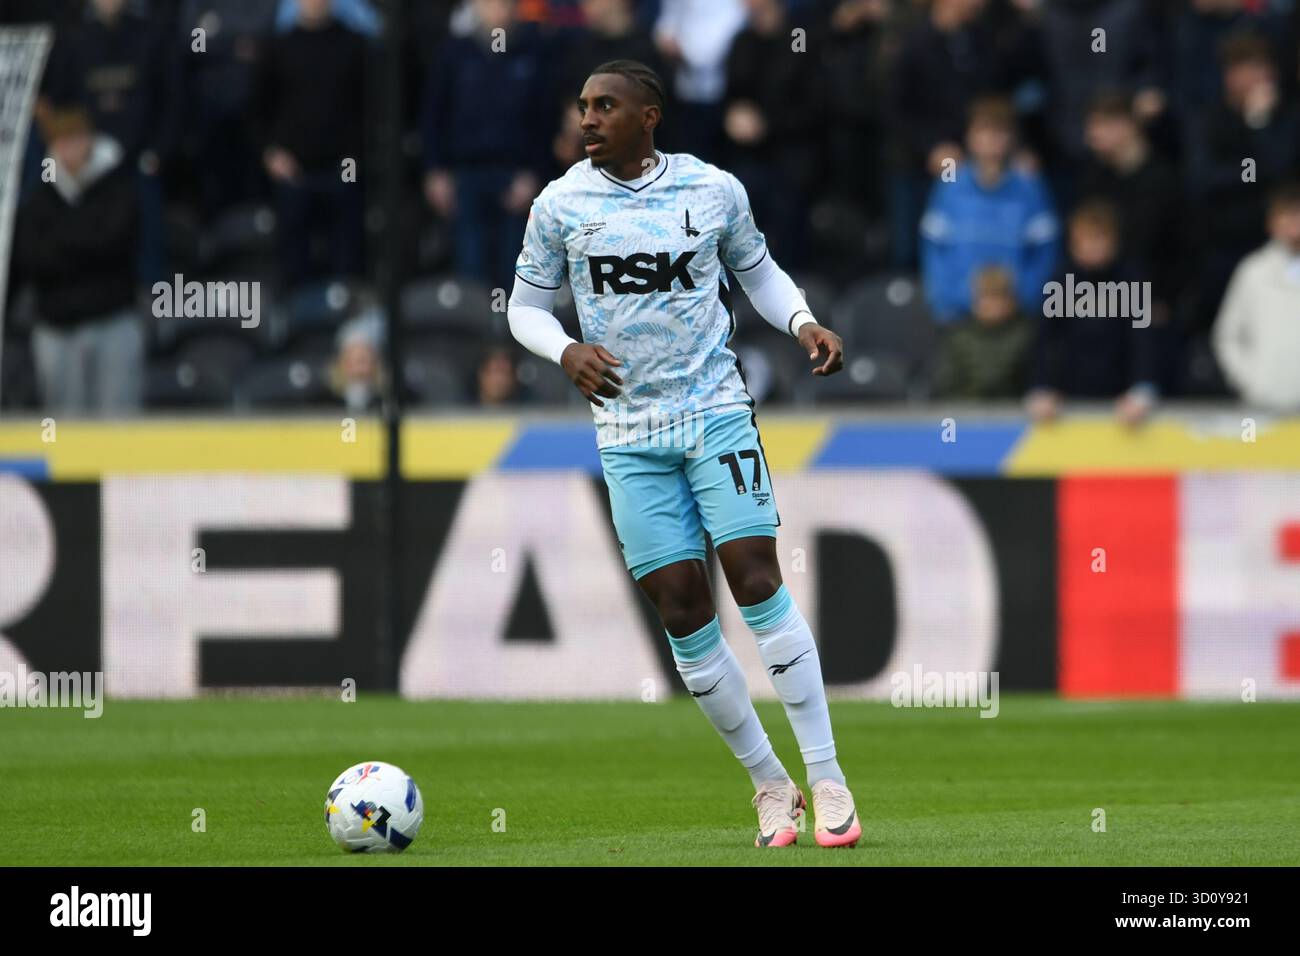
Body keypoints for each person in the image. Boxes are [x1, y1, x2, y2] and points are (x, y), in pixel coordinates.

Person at [506, 60, 858, 849]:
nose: (589, 119)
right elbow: (525, 309)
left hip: (714, 414)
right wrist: (565, 351)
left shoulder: (711, 190)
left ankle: (828, 775)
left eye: (606, 106)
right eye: (583, 106)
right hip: (629, 433)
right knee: (682, 607)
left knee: (756, 577)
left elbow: (757, 271)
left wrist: (801, 321)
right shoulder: (560, 205)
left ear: (649, 115)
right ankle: (771, 784)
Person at [13, 103, 142, 415]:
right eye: (62, 141)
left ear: (90, 140)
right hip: (57, 326)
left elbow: (115, 242)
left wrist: (62, 244)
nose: (70, 148)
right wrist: (86, 241)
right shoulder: (40, 195)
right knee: (63, 424)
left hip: (112, 321)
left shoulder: (117, 186)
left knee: (118, 423)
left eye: (76, 138)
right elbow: (31, 255)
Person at [920, 96, 1060, 323]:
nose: (992, 140)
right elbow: (934, 252)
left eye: (999, 132)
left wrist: (1020, 300)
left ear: (1012, 138)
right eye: (984, 131)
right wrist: (950, 301)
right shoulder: (949, 182)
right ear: (970, 137)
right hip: (957, 316)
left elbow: (1045, 254)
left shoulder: (1031, 186)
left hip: (1017, 317)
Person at [1212, 183, 1300, 411]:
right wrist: (1251, 382)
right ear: (1271, 222)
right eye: (1287, 215)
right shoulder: (1253, 271)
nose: (1294, 224)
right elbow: (1226, 336)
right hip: (1263, 404)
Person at [932, 265, 1033, 399]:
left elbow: (1035, 386)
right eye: (986, 297)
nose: (992, 305)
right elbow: (946, 386)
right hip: (966, 412)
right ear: (975, 301)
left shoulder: (1028, 335)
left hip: (1015, 411)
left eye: (998, 296)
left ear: (1011, 300)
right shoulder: (960, 337)